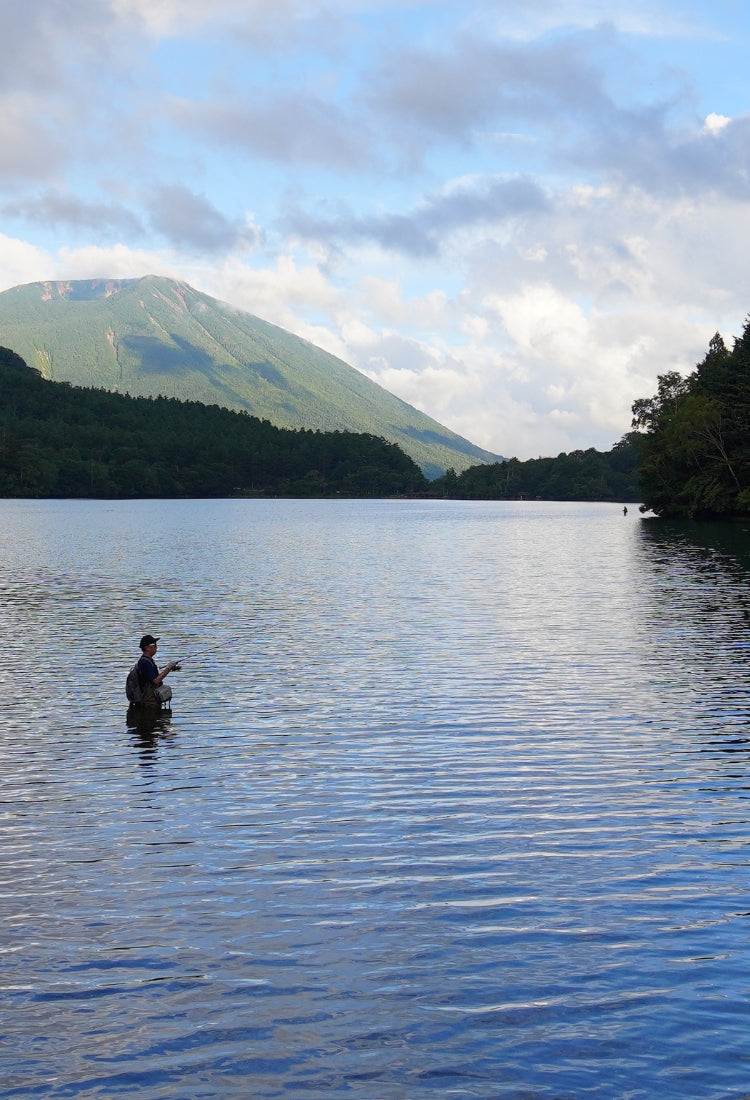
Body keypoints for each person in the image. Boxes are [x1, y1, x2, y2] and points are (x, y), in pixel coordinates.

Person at [137, 634, 180, 709]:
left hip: (153, 699)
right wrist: (168, 668)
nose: (156, 647)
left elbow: (153, 677)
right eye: (154, 645)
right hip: (149, 702)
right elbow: (156, 681)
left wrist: (171, 668)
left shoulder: (148, 660)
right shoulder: (145, 662)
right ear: (147, 648)